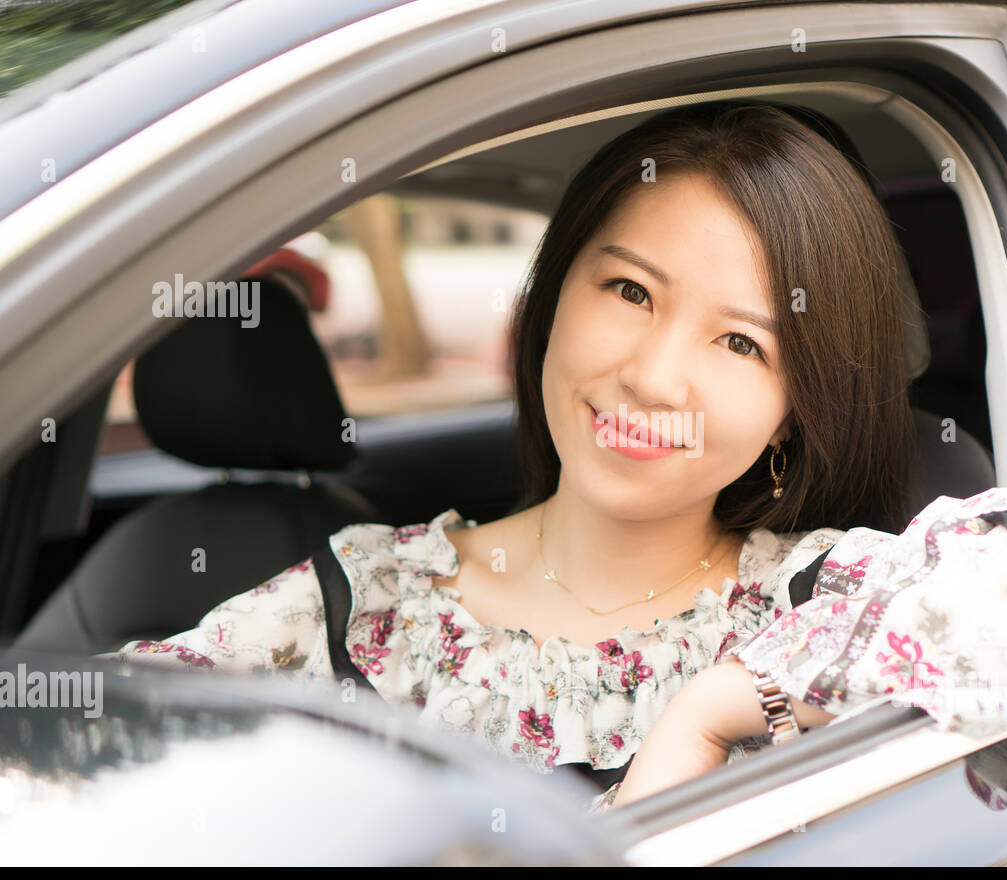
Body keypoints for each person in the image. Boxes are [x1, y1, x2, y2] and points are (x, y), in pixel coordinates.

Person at [95, 99, 918, 803]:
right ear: (552, 296)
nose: (654, 378)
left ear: (789, 413)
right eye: (631, 291)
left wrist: (716, 711)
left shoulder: (822, 603)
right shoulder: (367, 601)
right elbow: (75, 757)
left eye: (740, 343)